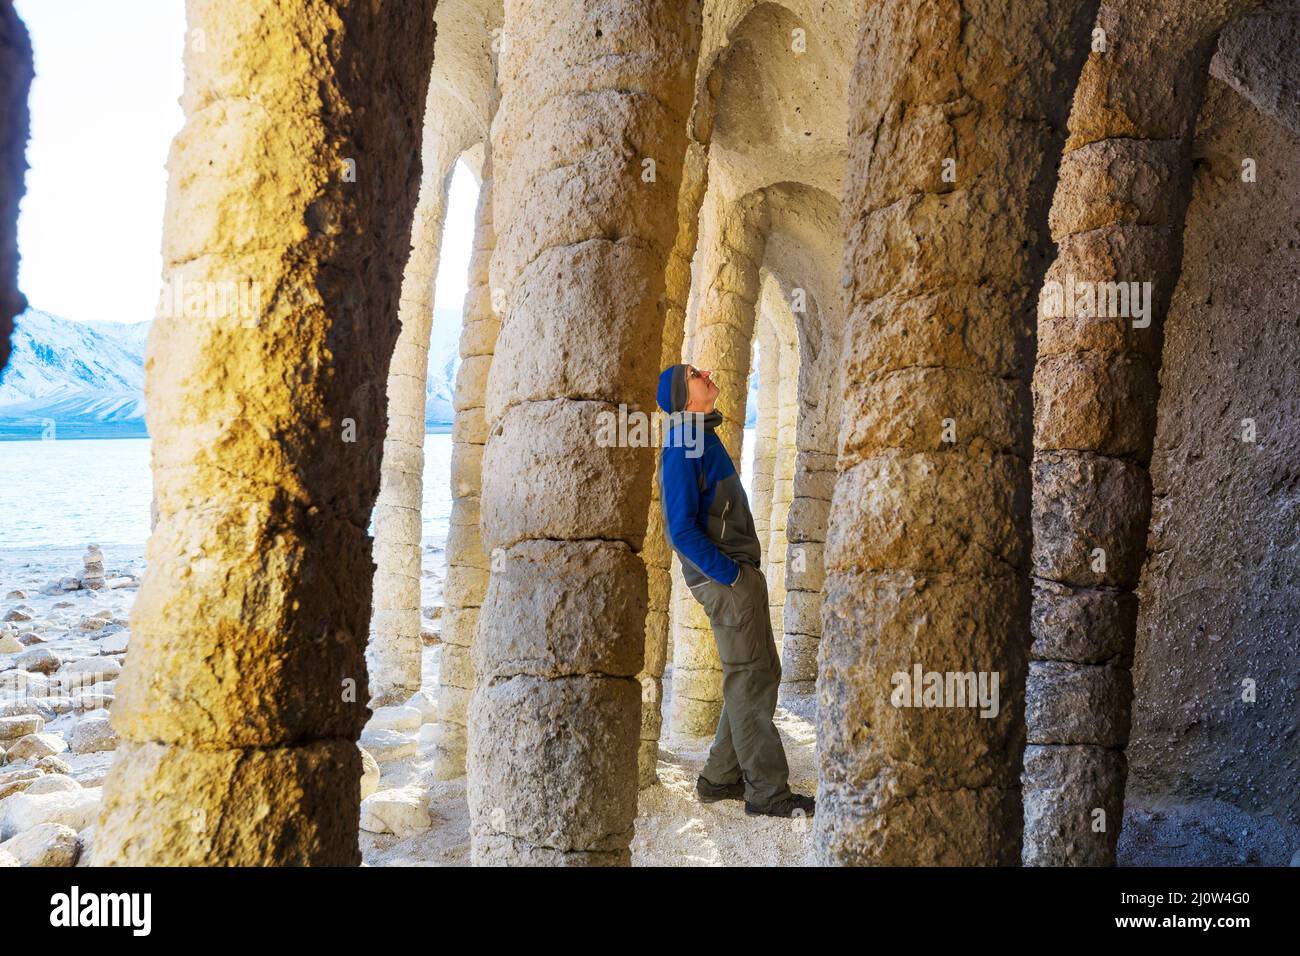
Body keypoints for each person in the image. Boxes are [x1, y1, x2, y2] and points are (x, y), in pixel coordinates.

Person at [656, 362, 815, 818]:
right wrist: (729, 575)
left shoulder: (700, 436)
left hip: (735, 576)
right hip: (727, 581)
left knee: (758, 672)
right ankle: (767, 793)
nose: (705, 372)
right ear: (686, 398)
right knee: (750, 677)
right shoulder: (685, 442)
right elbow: (681, 531)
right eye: (694, 374)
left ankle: (720, 778)